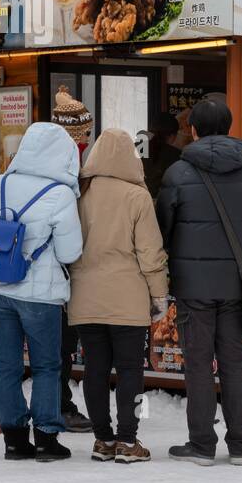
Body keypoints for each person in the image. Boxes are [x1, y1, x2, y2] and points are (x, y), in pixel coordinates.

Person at [157, 100, 242, 467]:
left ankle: (202, 445)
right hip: (237, 282)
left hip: (193, 285)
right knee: (234, 362)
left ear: (193, 129)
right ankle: (241, 445)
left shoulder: (178, 172)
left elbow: (164, 227)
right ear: (229, 126)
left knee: (199, 364)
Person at [0, 122, 84, 461]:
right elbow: (70, 252)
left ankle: (14, 440)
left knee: (6, 364)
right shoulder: (60, 194)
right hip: (39, 295)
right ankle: (47, 439)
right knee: (47, 366)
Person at [68, 128, 169, 464]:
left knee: (95, 368)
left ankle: (102, 439)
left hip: (84, 295)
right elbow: (150, 252)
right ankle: (128, 440)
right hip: (128, 296)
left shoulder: (79, 192)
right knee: (130, 371)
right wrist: (160, 294)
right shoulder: (137, 196)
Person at [50, 87, 96, 433]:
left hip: (44, 269)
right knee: (60, 345)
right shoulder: (69, 167)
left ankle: (53, 404)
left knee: (54, 346)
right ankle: (59, 407)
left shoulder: (38, 160)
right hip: (61, 269)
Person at [141, 112, 182, 201]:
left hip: (135, 203)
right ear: (172, 136)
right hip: (163, 205)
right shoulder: (176, 155)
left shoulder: (136, 148)